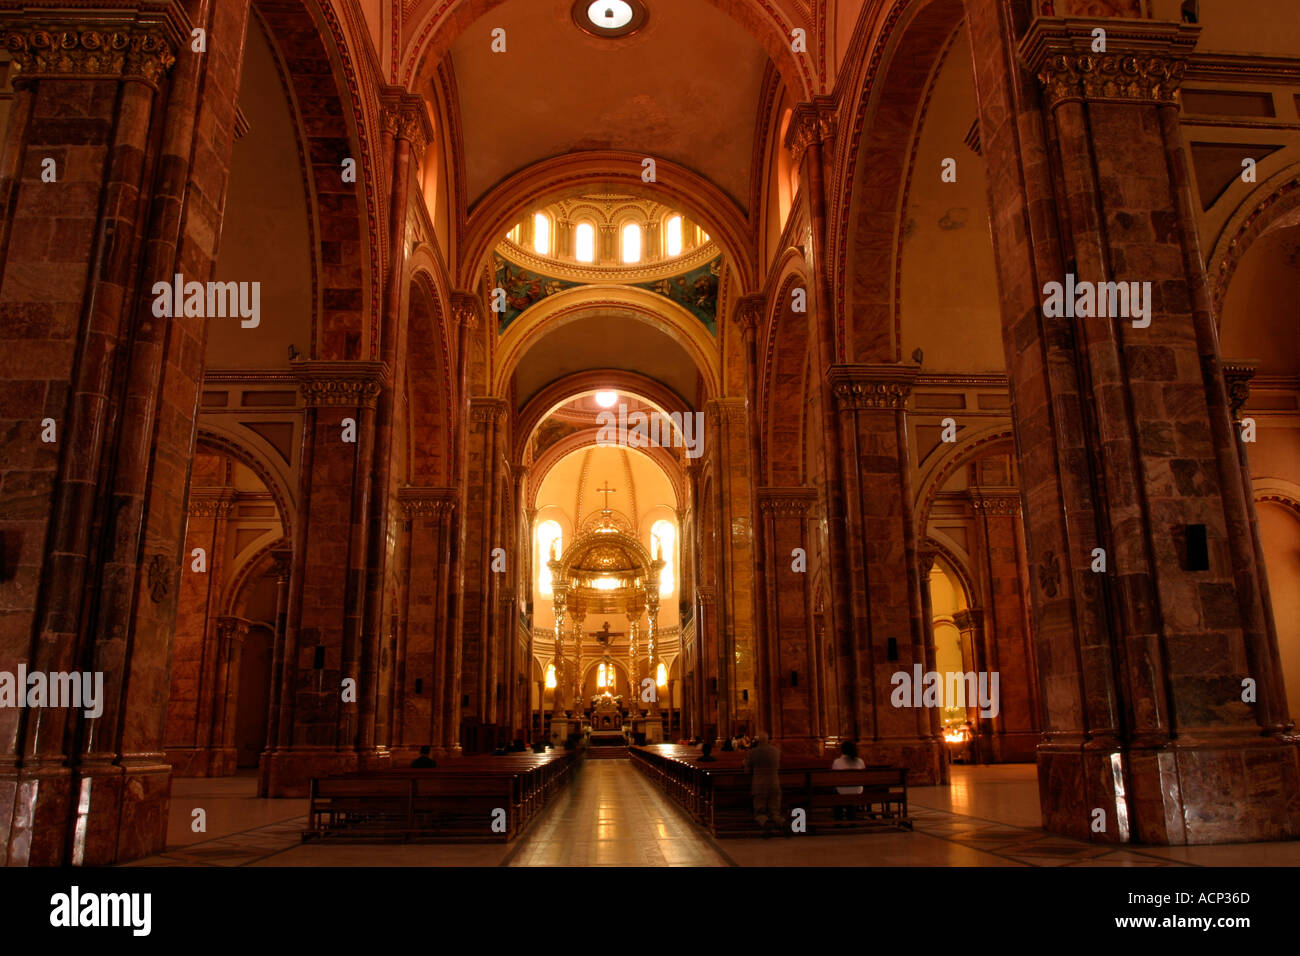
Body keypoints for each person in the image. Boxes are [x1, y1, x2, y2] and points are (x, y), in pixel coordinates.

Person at [744, 733, 783, 832]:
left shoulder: (753, 752)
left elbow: (747, 770)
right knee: (775, 809)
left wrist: (745, 763)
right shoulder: (776, 751)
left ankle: (765, 822)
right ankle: (780, 821)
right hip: (774, 782)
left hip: (759, 783)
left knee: (760, 809)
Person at [831, 740, 865, 821]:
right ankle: (852, 818)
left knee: (836, 791)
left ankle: (838, 819)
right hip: (857, 790)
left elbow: (834, 778)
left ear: (842, 750)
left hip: (842, 791)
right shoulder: (860, 761)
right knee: (851, 789)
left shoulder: (837, 762)